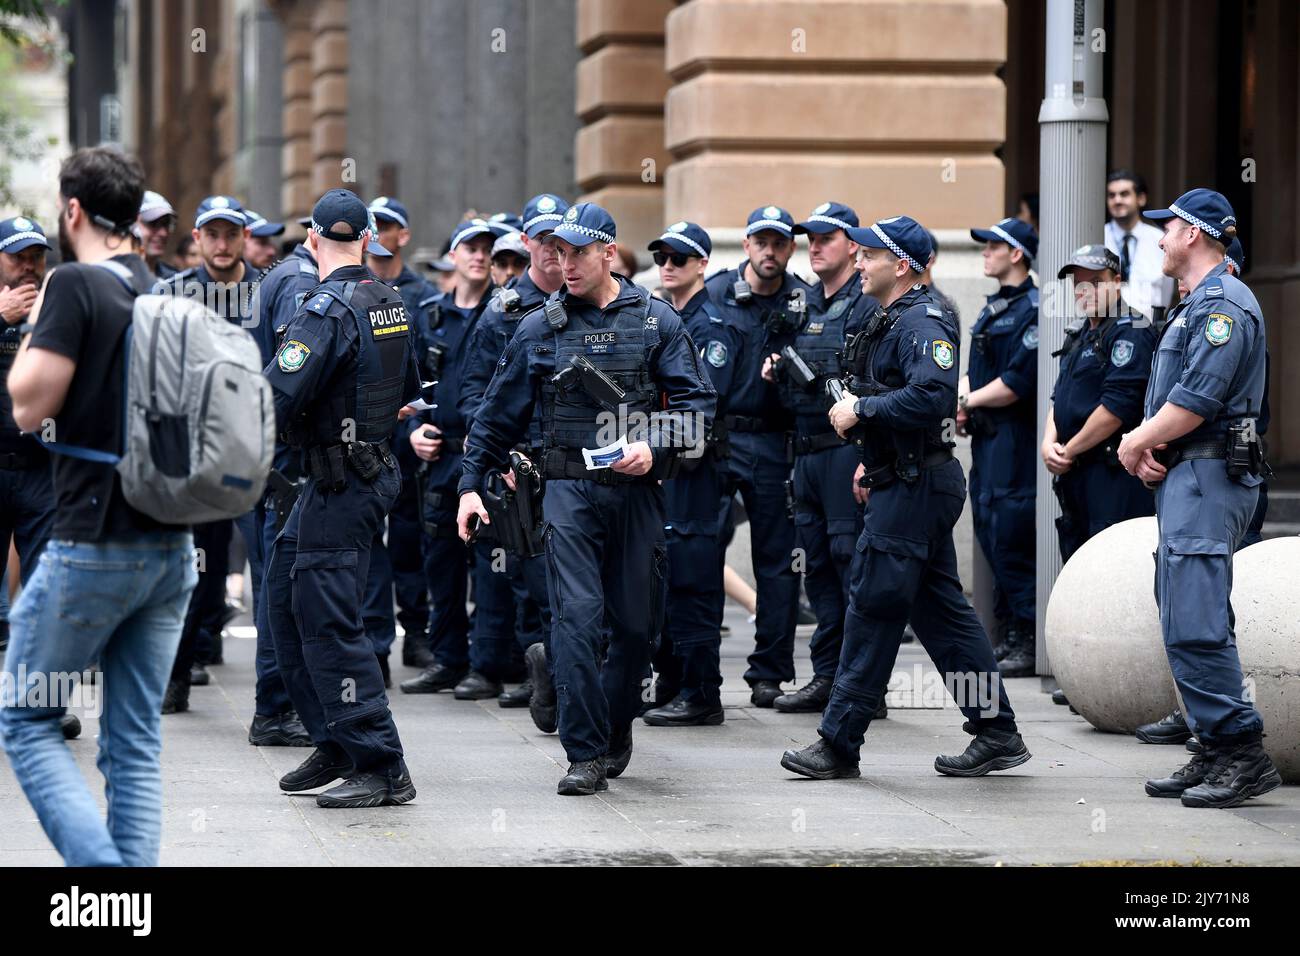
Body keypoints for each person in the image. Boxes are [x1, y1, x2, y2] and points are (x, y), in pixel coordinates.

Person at [456, 202, 716, 795]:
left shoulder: (657, 322)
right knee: (576, 619)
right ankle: (585, 750)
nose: (562, 262)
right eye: (556, 250)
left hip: (636, 492)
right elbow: (494, 420)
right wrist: (470, 488)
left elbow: (700, 412)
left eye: (576, 251)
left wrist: (653, 444)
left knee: (635, 628)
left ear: (608, 252)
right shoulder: (537, 326)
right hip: (567, 492)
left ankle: (614, 723)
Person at [1, 147, 198, 865]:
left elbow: (27, 403)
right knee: (134, 740)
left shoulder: (77, 285)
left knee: (25, 717)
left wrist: (33, 326)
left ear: (73, 211)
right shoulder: (161, 286)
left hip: (94, 542)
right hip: (169, 547)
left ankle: (107, 883)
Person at [780, 214, 1029, 782]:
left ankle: (839, 743)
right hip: (906, 478)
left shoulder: (925, 319)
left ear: (901, 265)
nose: (858, 263)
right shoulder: (894, 317)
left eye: (868, 255)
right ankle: (997, 731)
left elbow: (931, 396)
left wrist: (861, 412)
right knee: (942, 614)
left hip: (917, 489)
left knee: (870, 606)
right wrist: (875, 457)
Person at [1118, 188, 1280, 809]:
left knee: (1197, 621)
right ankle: (1212, 743)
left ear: (1194, 234)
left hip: (1211, 477)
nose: (1159, 238)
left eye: (1168, 228)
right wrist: (1159, 448)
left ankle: (1242, 753)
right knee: (1184, 612)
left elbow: (1196, 401)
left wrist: (1138, 442)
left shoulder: (1222, 305)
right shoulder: (1194, 304)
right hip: (1191, 473)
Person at [262, 188, 420, 808]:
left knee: (328, 618)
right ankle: (333, 736)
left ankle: (380, 763)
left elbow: (276, 398)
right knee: (282, 596)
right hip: (364, 471)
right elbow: (406, 392)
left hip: (341, 481)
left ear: (310, 239)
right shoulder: (390, 301)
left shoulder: (323, 310)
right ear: (367, 239)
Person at [455, 193, 569, 726]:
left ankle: (560, 675)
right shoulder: (502, 311)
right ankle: (541, 674)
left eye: (559, 241)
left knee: (572, 583)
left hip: (576, 464)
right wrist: (496, 456)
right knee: (530, 579)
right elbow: (473, 394)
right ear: (526, 244)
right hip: (519, 469)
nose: (551, 251)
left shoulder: (589, 303)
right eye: (542, 241)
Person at [764, 202, 879, 714]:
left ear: (853, 245)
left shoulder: (867, 300)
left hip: (845, 452)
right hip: (805, 450)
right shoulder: (800, 302)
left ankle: (861, 686)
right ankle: (828, 677)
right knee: (819, 571)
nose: (814, 244)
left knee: (851, 564)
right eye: (809, 236)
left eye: (826, 237)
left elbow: (877, 383)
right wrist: (776, 369)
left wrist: (868, 457)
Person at [704, 205, 811, 707]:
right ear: (746, 245)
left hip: (774, 442)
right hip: (719, 439)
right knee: (701, 549)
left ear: (791, 249)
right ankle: (695, 671)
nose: (770, 252)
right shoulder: (716, 293)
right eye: (761, 242)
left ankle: (768, 672)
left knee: (778, 562)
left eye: (779, 243)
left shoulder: (804, 302)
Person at [400, 217, 508, 698]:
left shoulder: (505, 311)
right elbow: (408, 385)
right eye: (471, 247)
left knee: (491, 564)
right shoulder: (429, 315)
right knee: (440, 561)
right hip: (441, 455)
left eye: (488, 248)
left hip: (484, 453)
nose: (480, 256)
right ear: (454, 257)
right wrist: (412, 430)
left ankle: (487, 665)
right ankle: (448, 658)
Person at [641, 220, 739, 726]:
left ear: (702, 264)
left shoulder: (709, 326)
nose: (668, 266)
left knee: (696, 580)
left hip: (696, 470)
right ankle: (673, 681)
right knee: (666, 576)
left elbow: (699, 404)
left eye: (679, 258)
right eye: (661, 258)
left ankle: (703, 693)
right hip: (665, 468)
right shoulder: (661, 319)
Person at [959, 216, 1040, 677]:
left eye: (992, 246)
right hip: (989, 441)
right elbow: (984, 375)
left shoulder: (1032, 307)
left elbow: (1016, 383)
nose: (985, 253)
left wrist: (965, 399)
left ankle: (1026, 638)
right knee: (991, 531)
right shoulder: (993, 308)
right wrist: (966, 402)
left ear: (1015, 254)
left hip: (1015, 441)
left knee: (1011, 537)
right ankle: (1009, 634)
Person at [0, 216, 71, 740]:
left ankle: (46, 705)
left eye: (36, 255)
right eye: (16, 255)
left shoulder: (58, 303)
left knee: (49, 594)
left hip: (41, 470)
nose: (28, 266)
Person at [1042, 244, 1155, 563]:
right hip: (1076, 473)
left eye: (1096, 282)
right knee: (1078, 567)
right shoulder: (1079, 334)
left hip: (1112, 475)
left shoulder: (1132, 329)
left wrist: (1069, 449)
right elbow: (1059, 395)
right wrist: (1048, 443)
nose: (1085, 291)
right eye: (1079, 284)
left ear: (1116, 282)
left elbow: (1116, 408)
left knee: (1111, 568)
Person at [363, 196, 439, 671]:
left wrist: (418, 417)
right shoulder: (357, 287)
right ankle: (375, 644)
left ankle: (416, 632)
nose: (379, 233)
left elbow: (433, 369)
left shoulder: (424, 294)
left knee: (410, 541)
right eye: (374, 226)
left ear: (403, 235)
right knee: (370, 542)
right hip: (369, 432)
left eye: (388, 225)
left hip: (408, 435)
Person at [1105, 169, 1175, 323]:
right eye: (1111, 195)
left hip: (1149, 330)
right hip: (1107, 333)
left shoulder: (1160, 239)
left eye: (1124, 194)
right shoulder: (1099, 237)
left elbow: (1166, 289)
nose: (1117, 200)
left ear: (1141, 198)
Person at [136, 189, 178, 280]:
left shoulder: (175, 280)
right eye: (153, 223)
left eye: (166, 224)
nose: (163, 233)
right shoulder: (114, 276)